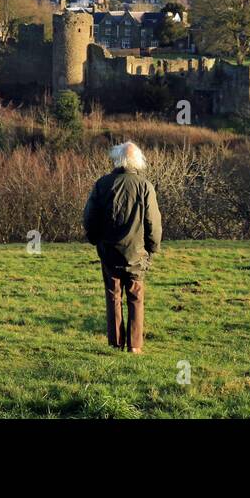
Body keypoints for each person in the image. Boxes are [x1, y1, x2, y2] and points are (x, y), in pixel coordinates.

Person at [83, 141, 162, 353]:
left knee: (113, 295)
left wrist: (94, 239)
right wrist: (153, 248)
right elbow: (152, 221)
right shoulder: (145, 186)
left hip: (109, 251)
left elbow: (90, 217)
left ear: (117, 159)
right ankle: (135, 346)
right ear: (138, 160)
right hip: (137, 253)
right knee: (135, 297)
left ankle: (116, 343)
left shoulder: (102, 184)